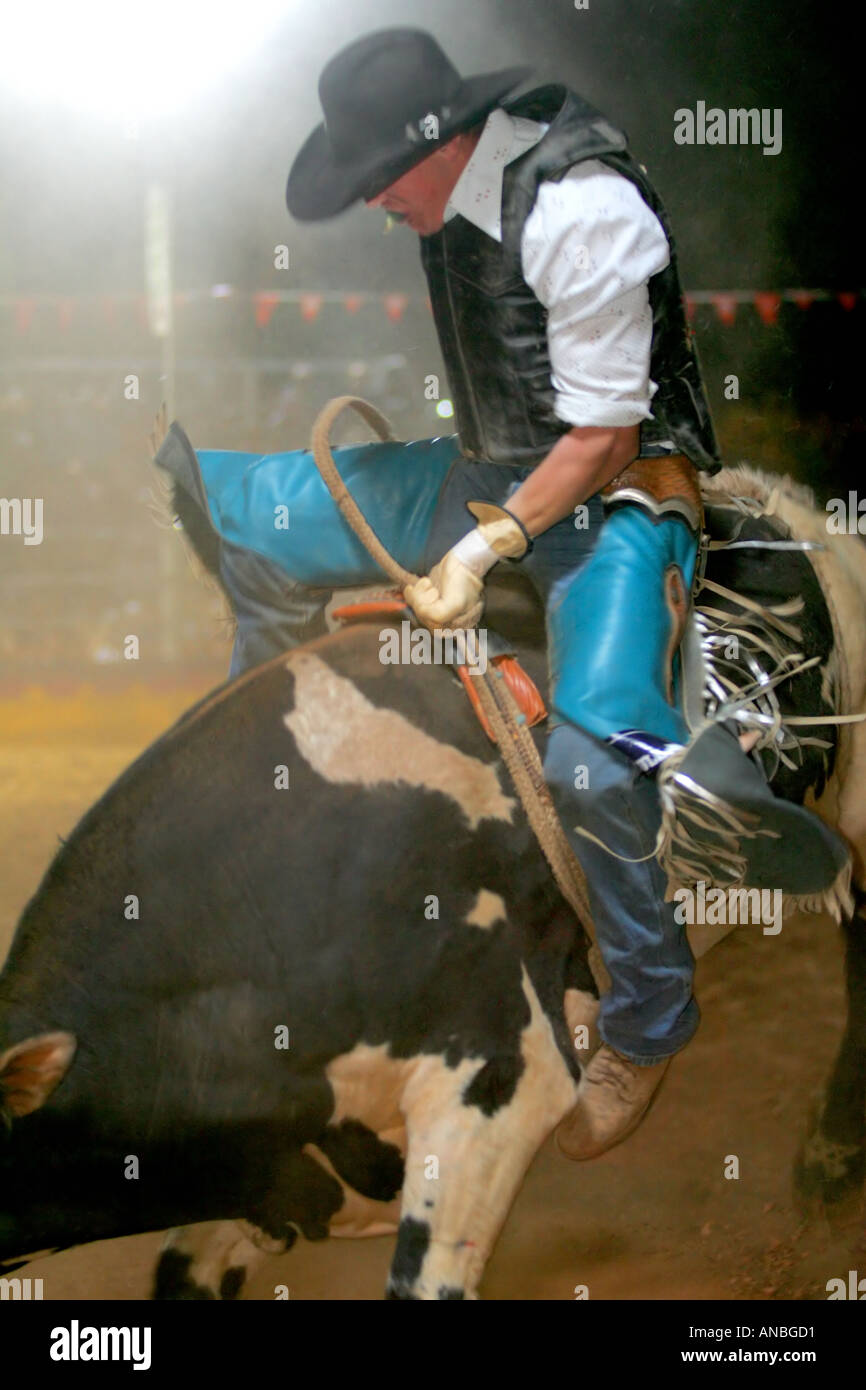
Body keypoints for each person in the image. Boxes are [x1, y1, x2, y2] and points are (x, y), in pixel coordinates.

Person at [269, 27, 849, 1158]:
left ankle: (646, 1005)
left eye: (378, 178)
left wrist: (482, 550)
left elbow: (604, 432)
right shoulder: (451, 200)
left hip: (627, 476)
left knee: (588, 761)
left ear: (436, 147)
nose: (375, 202)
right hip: (525, 472)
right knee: (311, 570)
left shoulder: (581, 205)